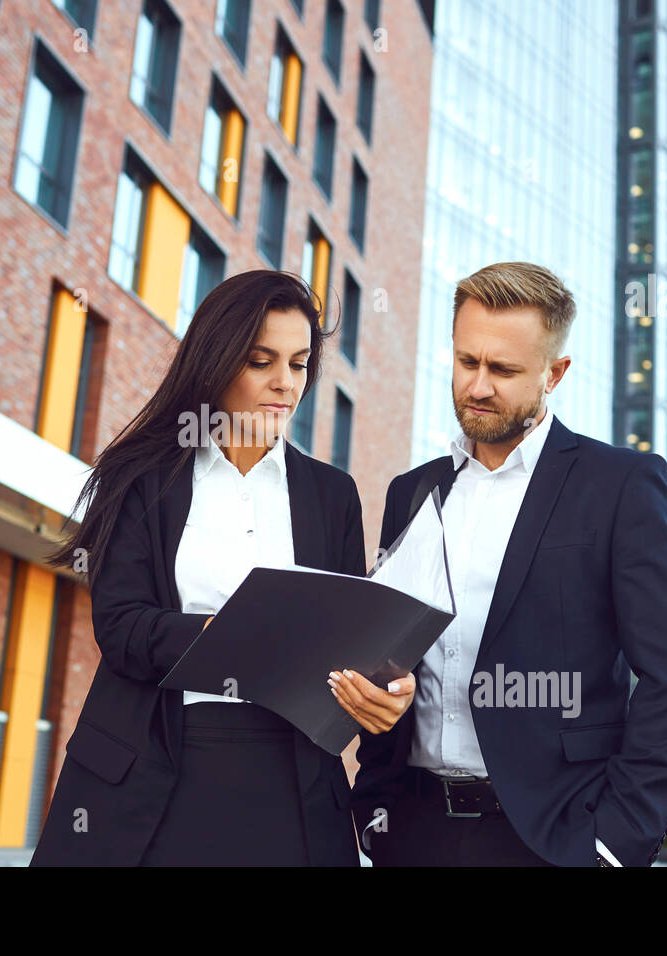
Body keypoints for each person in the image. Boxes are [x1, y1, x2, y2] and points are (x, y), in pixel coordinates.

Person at [29, 270, 414, 866]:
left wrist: (384, 690)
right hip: (153, 772)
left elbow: (348, 638)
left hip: (293, 781)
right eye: (262, 361)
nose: (285, 384)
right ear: (216, 360)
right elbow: (122, 629)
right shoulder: (140, 478)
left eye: (299, 364)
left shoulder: (332, 495)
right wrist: (231, 636)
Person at [352, 261, 667, 867]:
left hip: (554, 840)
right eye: (468, 362)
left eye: (504, 370)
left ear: (555, 373)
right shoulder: (412, 493)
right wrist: (374, 810)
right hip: (411, 833)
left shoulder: (621, 486)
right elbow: (385, 653)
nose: (479, 387)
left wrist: (614, 843)